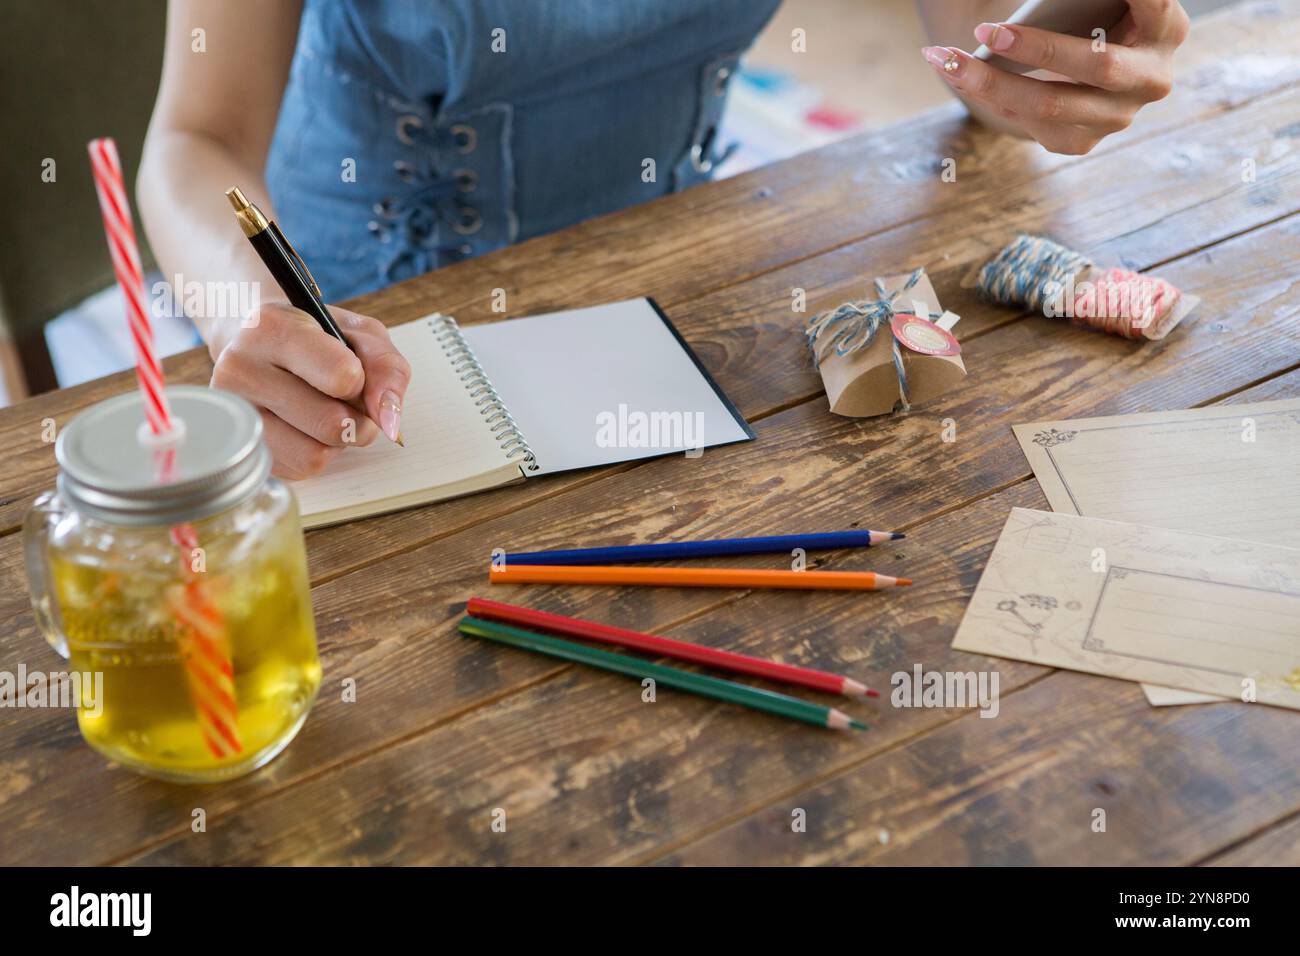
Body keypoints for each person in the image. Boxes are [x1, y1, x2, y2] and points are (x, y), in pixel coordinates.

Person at [138, 0, 1189, 478]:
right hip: (370, 348)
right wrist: (253, 306)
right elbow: (192, 142)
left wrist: (1062, 55)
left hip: (687, 303)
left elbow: (978, 43)